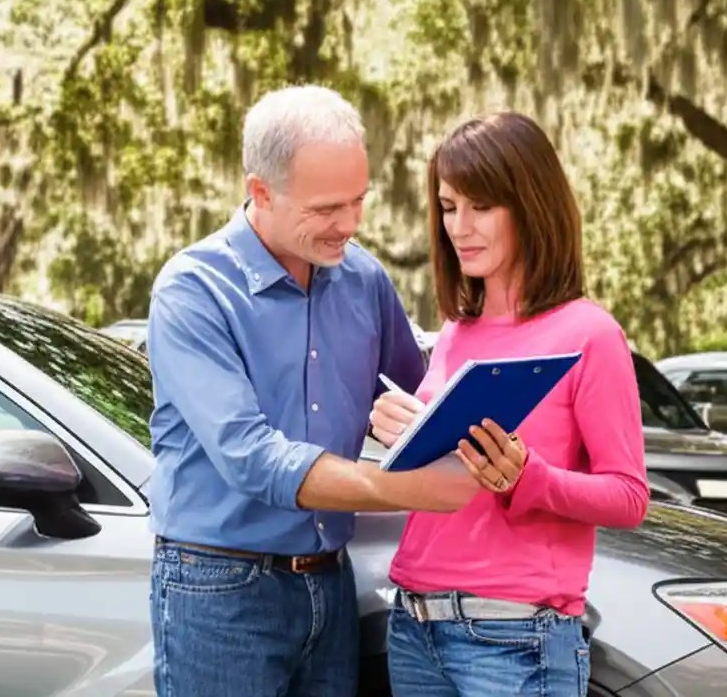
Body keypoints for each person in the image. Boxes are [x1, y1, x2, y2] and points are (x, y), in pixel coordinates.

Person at [144, 85, 518, 697]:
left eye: (358, 202)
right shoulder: (193, 291)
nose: (347, 225)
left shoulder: (363, 278)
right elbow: (251, 456)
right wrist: (406, 490)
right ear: (260, 190)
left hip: (331, 586)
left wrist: (470, 429)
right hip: (219, 590)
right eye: (325, 209)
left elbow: (420, 400)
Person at [370, 111, 650, 696]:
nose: (460, 227)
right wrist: (397, 431)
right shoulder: (455, 332)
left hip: (514, 638)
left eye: (482, 206)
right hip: (415, 627)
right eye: (449, 207)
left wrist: (529, 477)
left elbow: (628, 497)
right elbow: (438, 477)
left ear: (530, 204)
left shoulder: (590, 334)